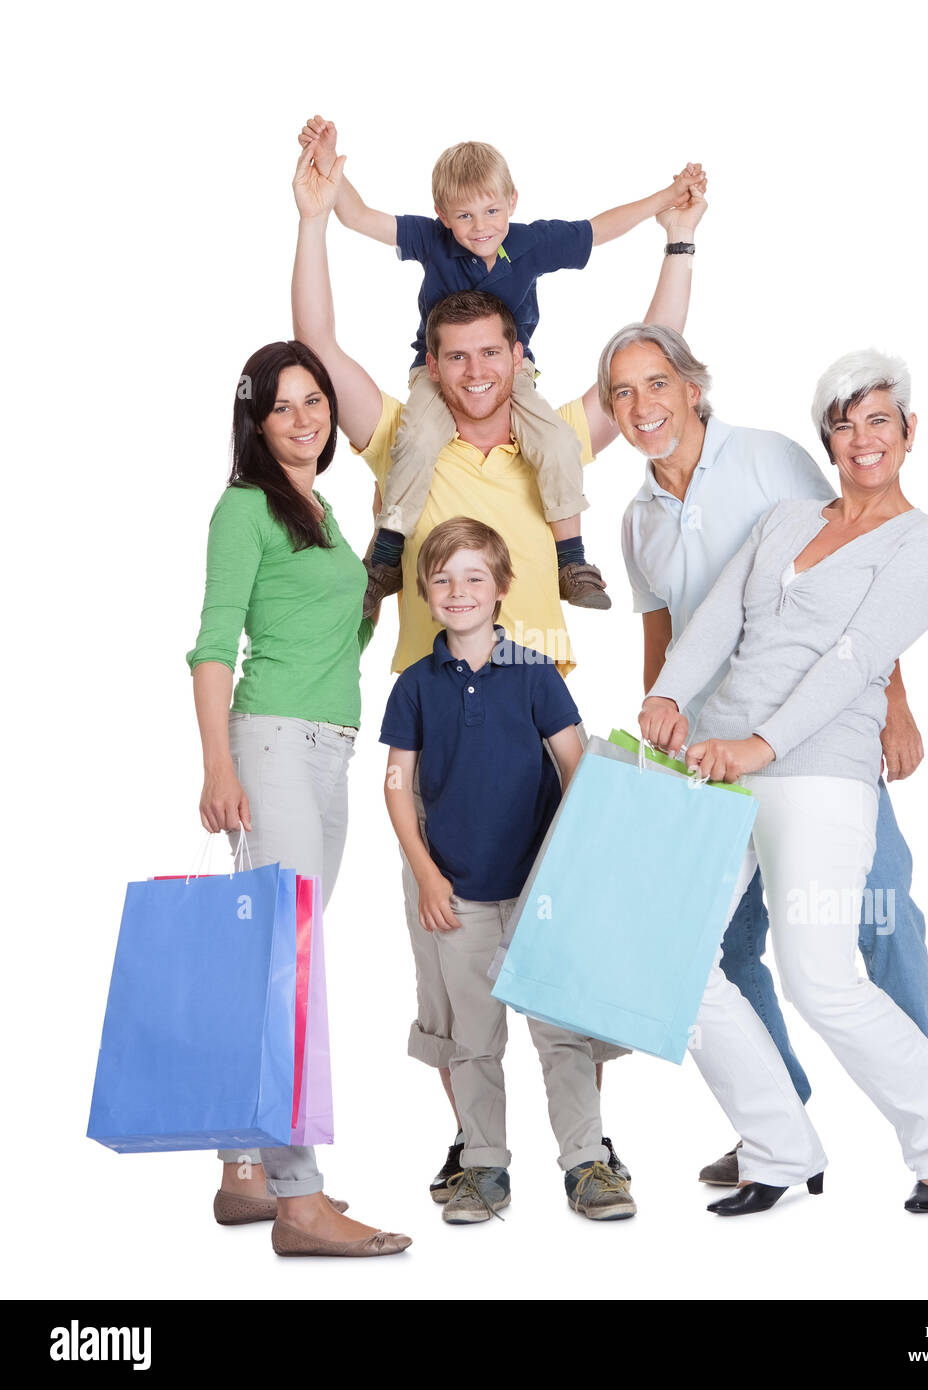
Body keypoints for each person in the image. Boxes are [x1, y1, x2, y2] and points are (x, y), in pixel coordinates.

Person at [289, 133, 706, 1199]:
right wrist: (315, 215)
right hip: (435, 725)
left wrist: (680, 238)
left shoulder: (549, 437)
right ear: (432, 366)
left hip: (537, 713)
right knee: (457, 955)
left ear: (518, 356)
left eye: (492, 355)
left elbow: (651, 359)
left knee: (560, 943)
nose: (475, 372)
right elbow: (320, 343)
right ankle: (477, 1148)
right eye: (456, 358)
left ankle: (587, 1145)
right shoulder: (401, 442)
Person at [639, 349, 928, 1214]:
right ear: (825, 439)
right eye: (845, 422)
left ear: (909, 432)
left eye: (879, 420)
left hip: (819, 774)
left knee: (821, 977)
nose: (862, 438)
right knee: (673, 962)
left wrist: (760, 745)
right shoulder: (785, 520)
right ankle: (778, 1149)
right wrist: (666, 693)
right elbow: (718, 617)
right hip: (714, 764)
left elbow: (855, 661)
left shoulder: (924, 543)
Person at [186, 339, 411, 1257]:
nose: (306, 417)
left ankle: (244, 1168)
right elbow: (211, 645)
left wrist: (372, 594)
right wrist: (218, 766)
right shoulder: (244, 509)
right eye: (283, 406)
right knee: (293, 972)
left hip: (328, 751)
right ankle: (300, 1196)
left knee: (275, 965)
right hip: (270, 744)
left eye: (314, 400)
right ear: (256, 420)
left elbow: (333, 646)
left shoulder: (320, 513)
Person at [298, 115, 704, 613]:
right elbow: (359, 217)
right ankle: (384, 556)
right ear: (443, 216)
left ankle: (571, 558)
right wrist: (328, 177)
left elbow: (599, 231)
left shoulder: (528, 244)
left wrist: (668, 203)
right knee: (418, 438)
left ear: (513, 202)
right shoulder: (431, 241)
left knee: (556, 440)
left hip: (522, 378)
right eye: (464, 216)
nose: (481, 227)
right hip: (429, 381)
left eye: (492, 211)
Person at [381, 517, 635, 1223]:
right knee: (471, 1041)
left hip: (537, 893)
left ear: (500, 589)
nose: (457, 591)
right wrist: (428, 876)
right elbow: (396, 783)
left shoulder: (535, 673)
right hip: (456, 893)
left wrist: (569, 876)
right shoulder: (414, 686)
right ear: (426, 595)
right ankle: (483, 1167)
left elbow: (577, 767)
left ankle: (587, 1164)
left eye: (473, 577)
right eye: (442, 579)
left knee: (562, 1034)